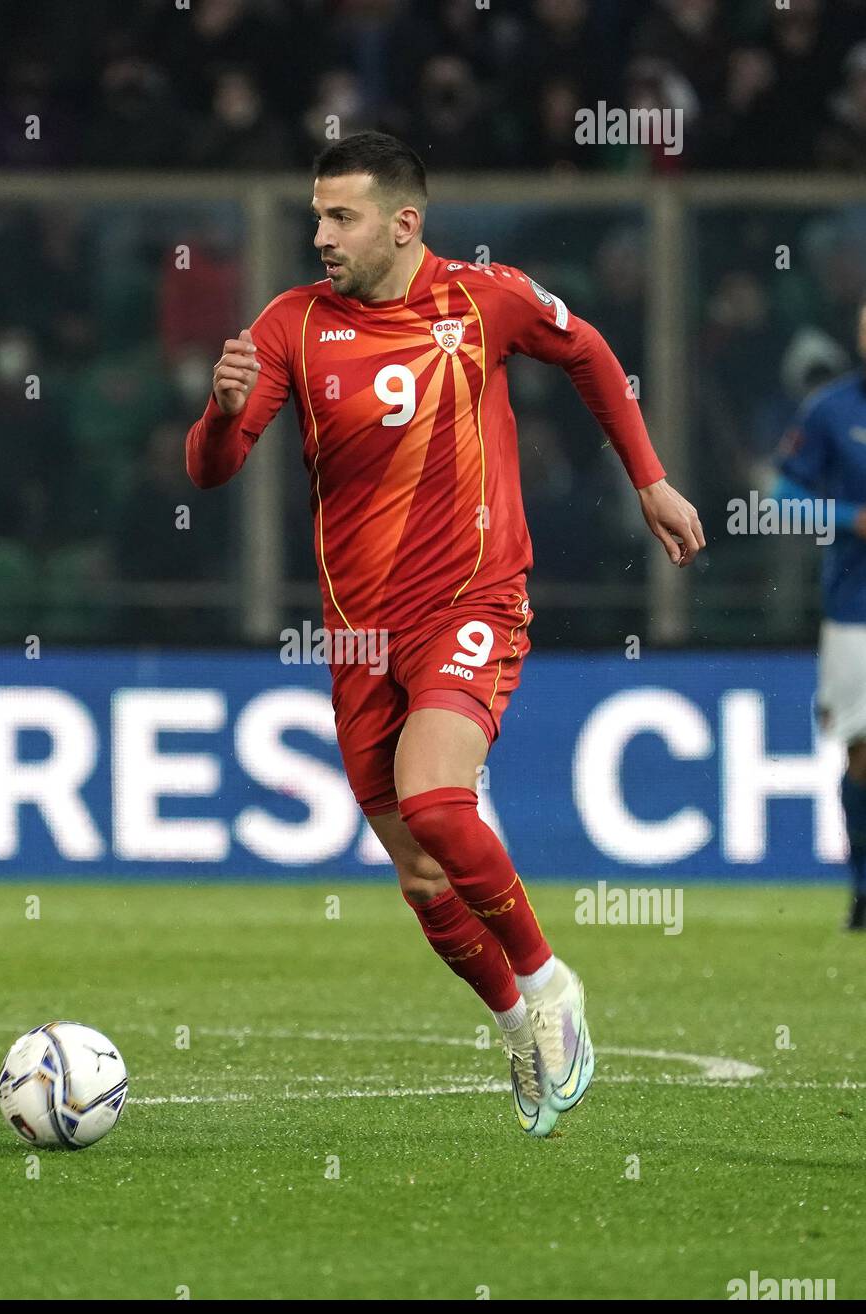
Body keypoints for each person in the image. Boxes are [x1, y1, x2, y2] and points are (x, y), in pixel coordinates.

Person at [185, 131, 705, 1137]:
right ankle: (517, 1024)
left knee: (434, 795)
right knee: (420, 873)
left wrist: (647, 477)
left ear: (402, 222)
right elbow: (211, 471)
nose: (320, 235)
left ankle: (551, 985)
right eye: (315, 215)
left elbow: (590, 352)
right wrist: (219, 411)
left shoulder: (484, 299)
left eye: (340, 217)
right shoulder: (293, 323)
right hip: (357, 635)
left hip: (473, 599)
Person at [774, 297, 866, 932]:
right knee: (861, 754)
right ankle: (863, 889)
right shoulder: (832, 409)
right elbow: (783, 499)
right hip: (855, 608)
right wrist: (850, 519)